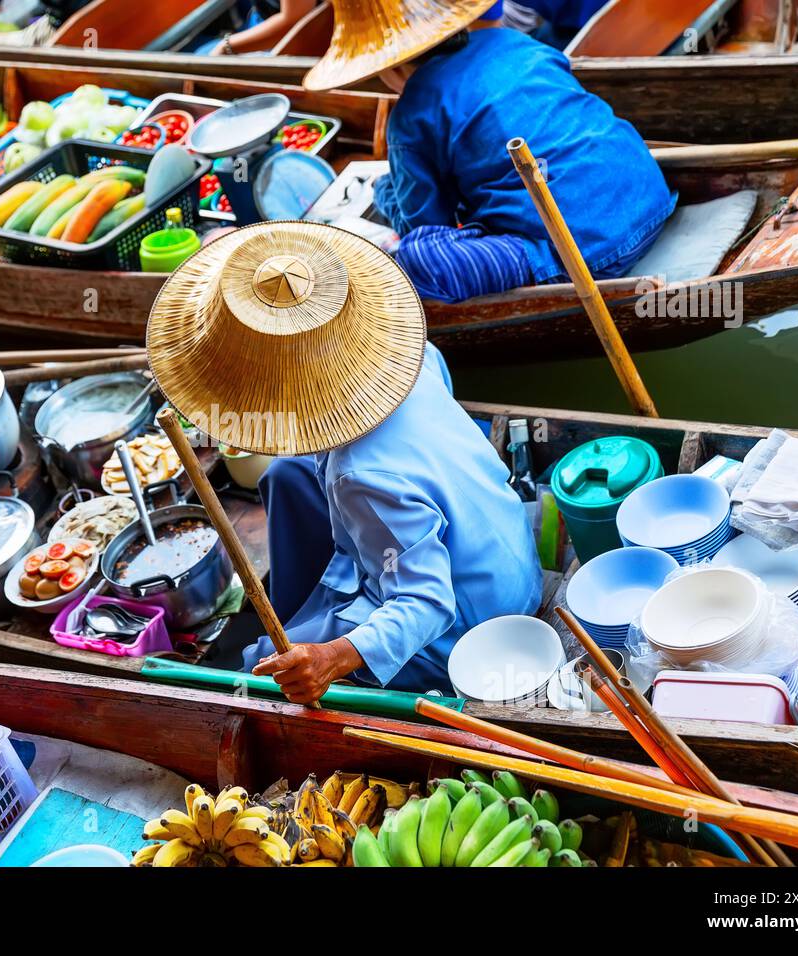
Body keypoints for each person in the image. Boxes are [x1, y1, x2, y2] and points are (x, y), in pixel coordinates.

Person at [145, 221, 542, 705]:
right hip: (496, 546)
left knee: (262, 662)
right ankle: (298, 613)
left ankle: (297, 637)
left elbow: (427, 601)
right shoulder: (411, 356)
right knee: (287, 475)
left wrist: (331, 657)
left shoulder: (363, 476)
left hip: (476, 621)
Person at [304, 0, 675, 306]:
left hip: (584, 254)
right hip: (651, 193)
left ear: (392, 67)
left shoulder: (410, 116)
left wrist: (387, 192)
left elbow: (426, 226)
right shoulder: (518, 43)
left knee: (421, 257)